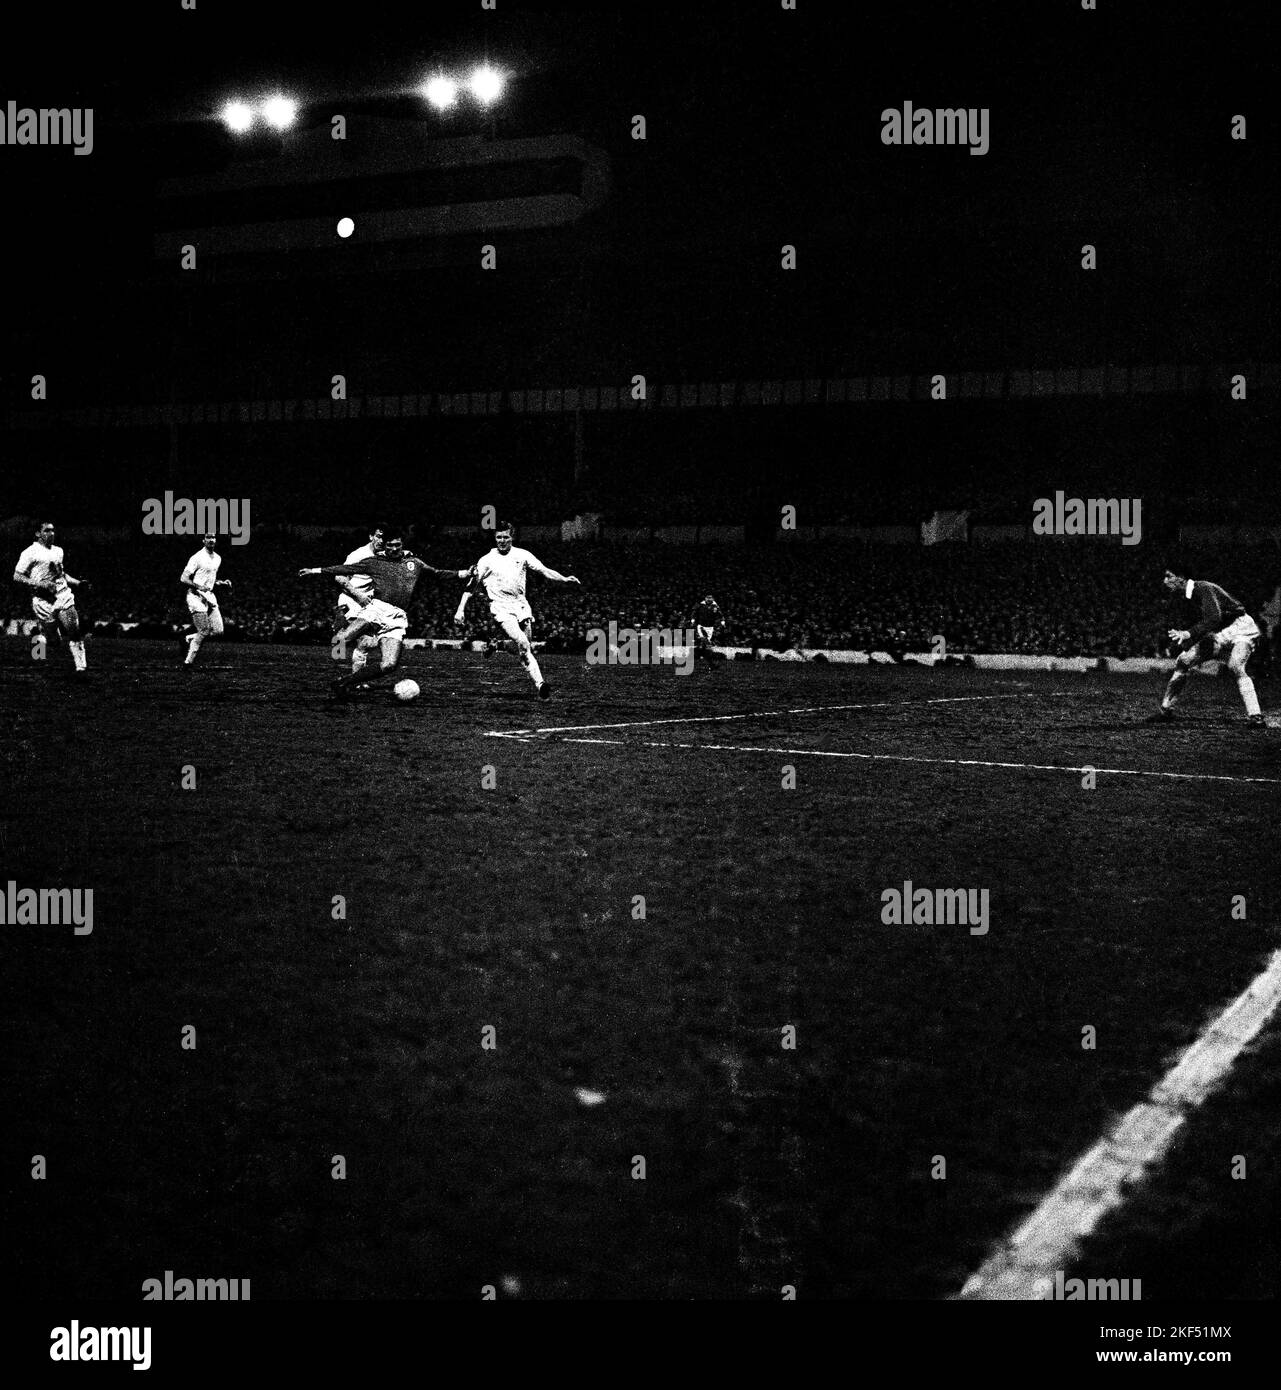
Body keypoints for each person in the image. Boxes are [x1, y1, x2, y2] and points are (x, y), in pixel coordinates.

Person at [299, 528, 467, 698]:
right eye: (390, 545)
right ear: (384, 546)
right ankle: (342, 623)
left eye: (398, 545)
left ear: (402, 544)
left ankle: (344, 682)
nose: (394, 549)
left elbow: (437, 573)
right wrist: (314, 570)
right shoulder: (374, 562)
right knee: (341, 640)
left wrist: (464, 574)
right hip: (376, 610)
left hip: (397, 618)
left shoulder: (414, 563)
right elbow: (343, 569)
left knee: (389, 665)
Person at [453, 521, 580, 699]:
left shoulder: (522, 554)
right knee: (523, 643)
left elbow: (543, 570)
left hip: (521, 605)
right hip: (501, 607)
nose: (502, 540)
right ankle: (541, 684)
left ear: (512, 537)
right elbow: (471, 587)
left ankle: (497, 644)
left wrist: (564, 579)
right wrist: (460, 610)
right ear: (494, 538)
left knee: (524, 646)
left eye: (506, 536)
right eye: (499, 537)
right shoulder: (486, 560)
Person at [1150, 569, 1264, 727]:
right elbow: (1206, 624)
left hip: (1240, 629)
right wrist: (1188, 641)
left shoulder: (1203, 588)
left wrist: (1188, 634)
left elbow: (1214, 618)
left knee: (1235, 665)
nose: (1165, 581)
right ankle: (1166, 710)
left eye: (1169, 576)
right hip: (1217, 633)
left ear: (1181, 578)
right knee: (1183, 661)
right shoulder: (1185, 597)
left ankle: (1256, 716)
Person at [12, 520, 90, 675]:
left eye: (53, 530)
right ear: (38, 533)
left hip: (62, 595)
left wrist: (78, 583)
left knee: (74, 631)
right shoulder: (29, 552)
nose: (52, 533)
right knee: (54, 642)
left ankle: (81, 668)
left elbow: (61, 574)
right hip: (42, 601)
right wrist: (40, 584)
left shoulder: (58, 551)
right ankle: (40, 636)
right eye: (47, 530)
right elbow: (17, 576)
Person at [333, 524, 385, 678]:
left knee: (364, 643)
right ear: (371, 536)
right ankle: (350, 677)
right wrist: (358, 595)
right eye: (378, 536)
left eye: (384, 537)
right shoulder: (359, 554)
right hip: (351, 600)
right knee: (363, 642)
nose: (381, 540)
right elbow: (339, 577)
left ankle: (353, 678)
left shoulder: (384, 556)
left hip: (366, 605)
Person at [180, 533, 232, 665]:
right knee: (203, 630)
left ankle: (189, 638)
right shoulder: (197, 557)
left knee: (218, 631)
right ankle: (188, 662)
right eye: (208, 538)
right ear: (204, 541)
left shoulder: (218, 558)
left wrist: (221, 583)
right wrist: (198, 586)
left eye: (213, 537)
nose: (211, 540)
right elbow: (184, 578)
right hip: (195, 597)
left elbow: (210, 580)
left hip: (209, 596)